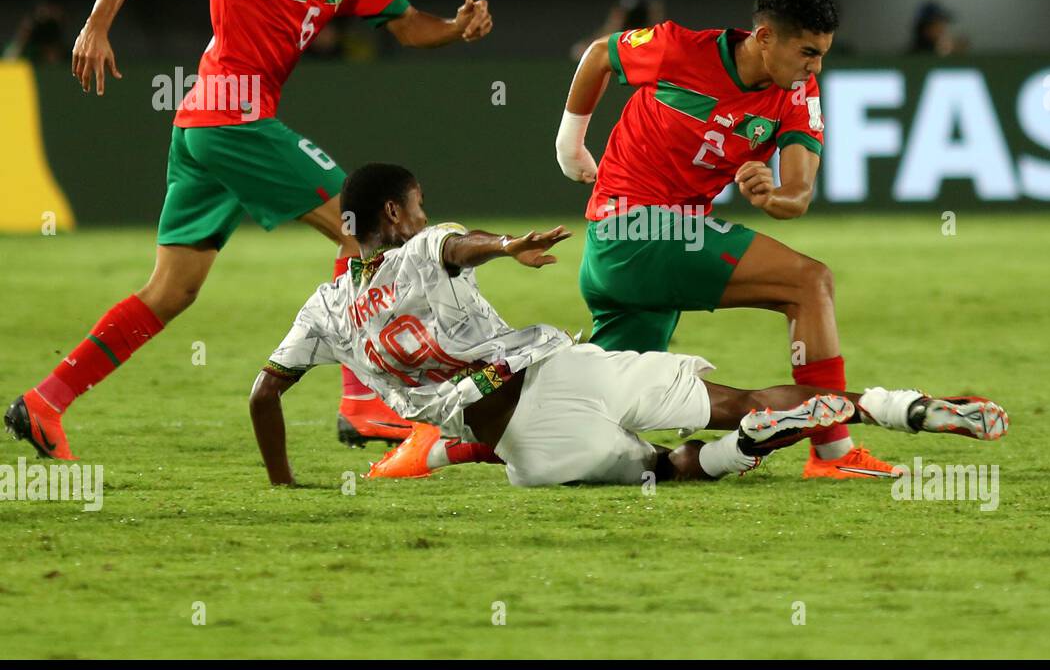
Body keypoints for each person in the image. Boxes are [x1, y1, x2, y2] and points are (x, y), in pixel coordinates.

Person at [4, 0, 493, 461]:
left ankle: (45, 401)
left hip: (206, 131)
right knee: (363, 225)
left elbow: (406, 25)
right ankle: (361, 404)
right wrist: (95, 25)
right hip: (229, 119)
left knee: (171, 291)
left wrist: (457, 28)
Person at [249, 163, 1009, 487]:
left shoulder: (321, 313)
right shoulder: (422, 246)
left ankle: (733, 455)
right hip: (565, 371)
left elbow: (263, 396)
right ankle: (896, 408)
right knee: (742, 398)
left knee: (665, 474)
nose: (419, 213)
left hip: (531, 448)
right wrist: (508, 246)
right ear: (394, 213)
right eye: (413, 203)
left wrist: (285, 482)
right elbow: (454, 244)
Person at [553, 0, 904, 480]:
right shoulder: (678, 49)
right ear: (764, 38)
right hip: (634, 230)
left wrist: (770, 194)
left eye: (822, 53)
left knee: (583, 402)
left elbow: (798, 194)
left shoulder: (797, 92)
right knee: (810, 282)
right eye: (807, 51)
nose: (815, 66)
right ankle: (833, 453)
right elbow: (599, 55)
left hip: (648, 252)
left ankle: (447, 442)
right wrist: (571, 145)